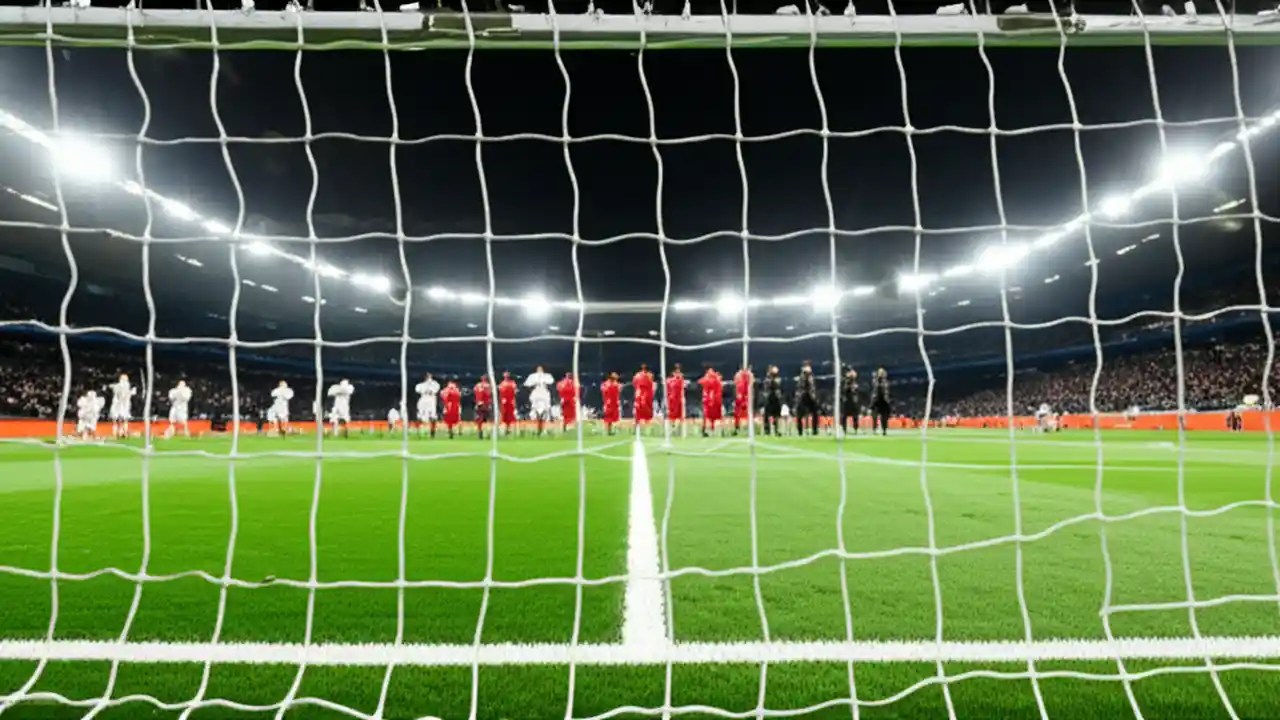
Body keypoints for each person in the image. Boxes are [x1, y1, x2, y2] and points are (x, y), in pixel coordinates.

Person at [525, 365, 555, 435]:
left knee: (546, 410)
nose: (540, 370)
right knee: (535, 411)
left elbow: (551, 382)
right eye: (538, 369)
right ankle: (536, 428)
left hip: (544, 394)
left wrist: (544, 383)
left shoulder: (547, 376)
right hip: (536, 395)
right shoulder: (532, 376)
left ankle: (546, 427)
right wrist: (534, 385)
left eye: (541, 369)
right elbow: (527, 385)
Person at [794, 362, 819, 436]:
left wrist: (814, 396)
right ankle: (800, 431)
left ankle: (814, 430)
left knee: (815, 413)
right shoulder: (801, 377)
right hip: (802, 396)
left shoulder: (811, 377)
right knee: (799, 415)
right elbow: (800, 387)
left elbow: (813, 387)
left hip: (810, 396)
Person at [108, 373, 136, 439]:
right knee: (118, 420)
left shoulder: (123, 386)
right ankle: (119, 433)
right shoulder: (120, 386)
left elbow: (127, 394)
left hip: (123, 405)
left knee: (123, 420)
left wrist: (131, 392)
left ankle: (123, 432)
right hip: (119, 405)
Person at [698, 365, 724, 437]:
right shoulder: (715, 379)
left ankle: (706, 430)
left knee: (708, 416)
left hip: (710, 401)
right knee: (715, 416)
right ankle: (719, 431)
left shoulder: (710, 379)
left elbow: (700, 382)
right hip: (713, 400)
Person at [415, 372, 440, 438]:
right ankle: (418, 431)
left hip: (431, 401)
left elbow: (435, 390)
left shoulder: (435, 384)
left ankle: (432, 433)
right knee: (420, 416)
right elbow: (417, 390)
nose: (429, 378)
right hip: (423, 400)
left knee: (433, 417)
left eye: (429, 376)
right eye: (427, 376)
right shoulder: (420, 385)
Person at [632, 363, 656, 431]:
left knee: (646, 410)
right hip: (641, 394)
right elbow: (635, 384)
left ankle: (645, 426)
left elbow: (634, 384)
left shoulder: (648, 375)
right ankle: (637, 426)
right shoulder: (638, 375)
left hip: (645, 394)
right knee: (639, 409)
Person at [761, 365, 783, 436]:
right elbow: (766, 388)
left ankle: (776, 430)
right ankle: (767, 430)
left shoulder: (777, 379)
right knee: (767, 415)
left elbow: (777, 385)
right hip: (769, 399)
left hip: (776, 399)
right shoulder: (767, 380)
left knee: (776, 415)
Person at [665, 364, 687, 433]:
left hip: (679, 399)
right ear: (673, 373)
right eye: (676, 372)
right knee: (671, 415)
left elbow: (683, 388)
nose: (678, 374)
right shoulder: (669, 381)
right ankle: (672, 428)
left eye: (679, 372)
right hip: (671, 400)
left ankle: (678, 429)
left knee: (680, 416)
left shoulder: (681, 379)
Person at [732, 365, 753, 435]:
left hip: (743, 397)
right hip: (743, 397)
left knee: (741, 414)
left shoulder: (746, 375)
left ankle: (739, 429)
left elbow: (750, 385)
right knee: (742, 414)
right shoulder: (745, 375)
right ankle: (739, 429)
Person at [840, 367, 861, 435]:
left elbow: (856, 392)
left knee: (855, 416)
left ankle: (856, 428)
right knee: (844, 416)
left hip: (853, 401)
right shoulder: (845, 382)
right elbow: (844, 390)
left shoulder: (855, 383)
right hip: (847, 401)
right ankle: (844, 429)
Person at [871, 368, 891, 436]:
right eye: (880, 373)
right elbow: (876, 387)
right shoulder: (875, 381)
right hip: (876, 401)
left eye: (882, 373)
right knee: (875, 416)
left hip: (884, 401)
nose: (881, 374)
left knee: (884, 417)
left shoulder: (886, 382)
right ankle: (874, 429)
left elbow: (886, 391)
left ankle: (884, 429)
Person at [498, 371, 518, 436]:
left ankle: (510, 430)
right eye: (505, 375)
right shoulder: (502, 383)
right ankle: (503, 430)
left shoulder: (512, 383)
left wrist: (513, 400)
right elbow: (500, 393)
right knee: (503, 415)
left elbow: (515, 392)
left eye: (507, 375)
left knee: (511, 415)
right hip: (504, 402)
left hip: (510, 401)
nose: (506, 376)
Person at [474, 375, 493, 439]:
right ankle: (487, 433)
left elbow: (475, 393)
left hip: (479, 404)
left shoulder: (477, 385)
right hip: (486, 404)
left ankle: (480, 432)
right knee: (487, 419)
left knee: (480, 419)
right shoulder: (488, 386)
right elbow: (489, 394)